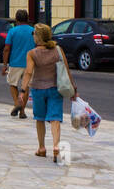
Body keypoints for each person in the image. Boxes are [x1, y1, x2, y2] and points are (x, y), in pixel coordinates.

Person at [19, 22, 77, 162]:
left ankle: (42, 148)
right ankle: (56, 146)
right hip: (55, 89)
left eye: (33, 34)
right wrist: (74, 89)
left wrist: (22, 90)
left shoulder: (32, 53)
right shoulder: (57, 50)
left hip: (38, 89)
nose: (32, 36)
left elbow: (28, 72)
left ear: (38, 37)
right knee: (55, 118)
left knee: (40, 118)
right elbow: (66, 70)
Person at [2, 10, 35, 119]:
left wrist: (4, 65)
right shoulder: (33, 31)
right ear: (27, 18)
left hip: (15, 62)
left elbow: (7, 49)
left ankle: (17, 104)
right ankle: (22, 112)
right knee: (26, 87)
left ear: (16, 19)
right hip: (29, 63)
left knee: (12, 84)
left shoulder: (12, 31)